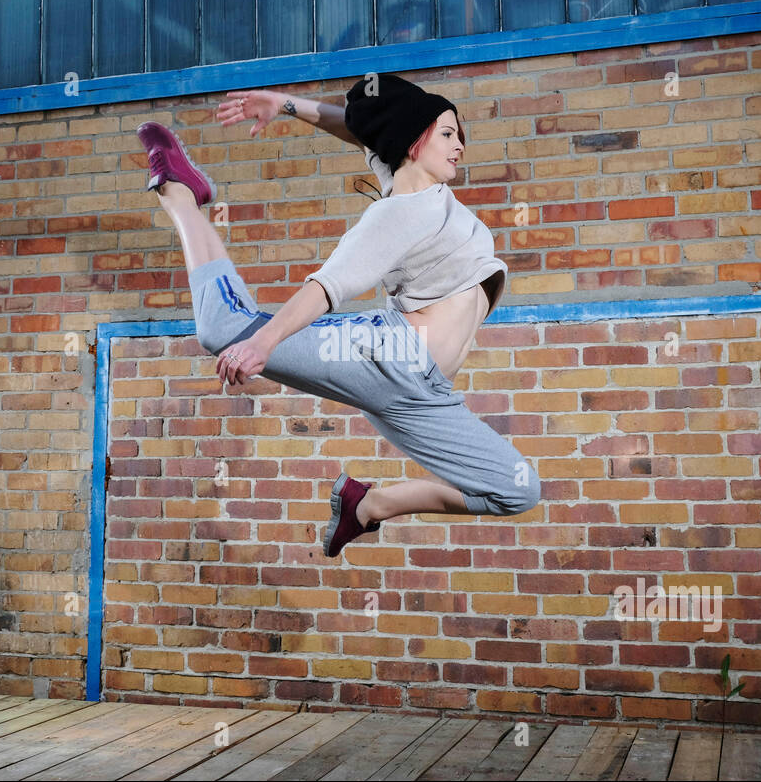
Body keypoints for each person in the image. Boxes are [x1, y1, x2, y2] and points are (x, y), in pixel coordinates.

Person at [136, 73, 541, 559]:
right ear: (415, 140)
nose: (460, 148)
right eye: (448, 134)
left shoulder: (414, 184)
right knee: (224, 327)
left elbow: (363, 126)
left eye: (460, 137)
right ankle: (179, 193)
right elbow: (327, 287)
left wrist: (284, 102)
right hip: (388, 355)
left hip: (424, 397)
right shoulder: (398, 213)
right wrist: (263, 344)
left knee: (518, 490)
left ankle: (368, 505)